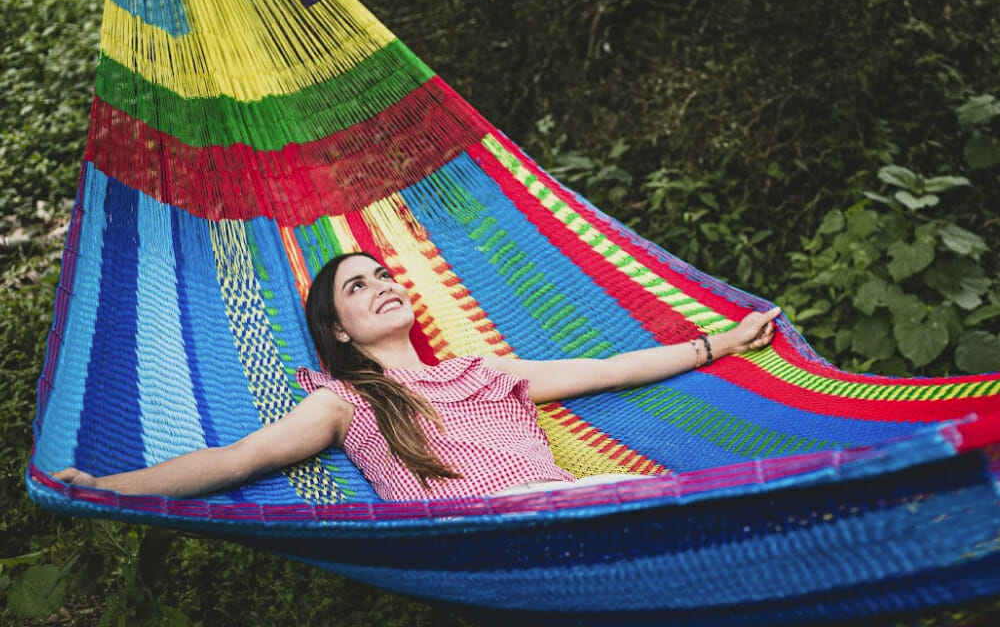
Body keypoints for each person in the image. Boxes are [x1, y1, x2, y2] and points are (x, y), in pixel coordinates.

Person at [54, 251, 780, 501]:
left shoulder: (483, 371)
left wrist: (724, 342)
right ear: (340, 330)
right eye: (357, 288)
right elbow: (238, 459)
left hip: (571, 500)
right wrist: (109, 488)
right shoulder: (346, 402)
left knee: (719, 500)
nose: (380, 286)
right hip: (477, 534)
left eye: (383, 274)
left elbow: (611, 369)